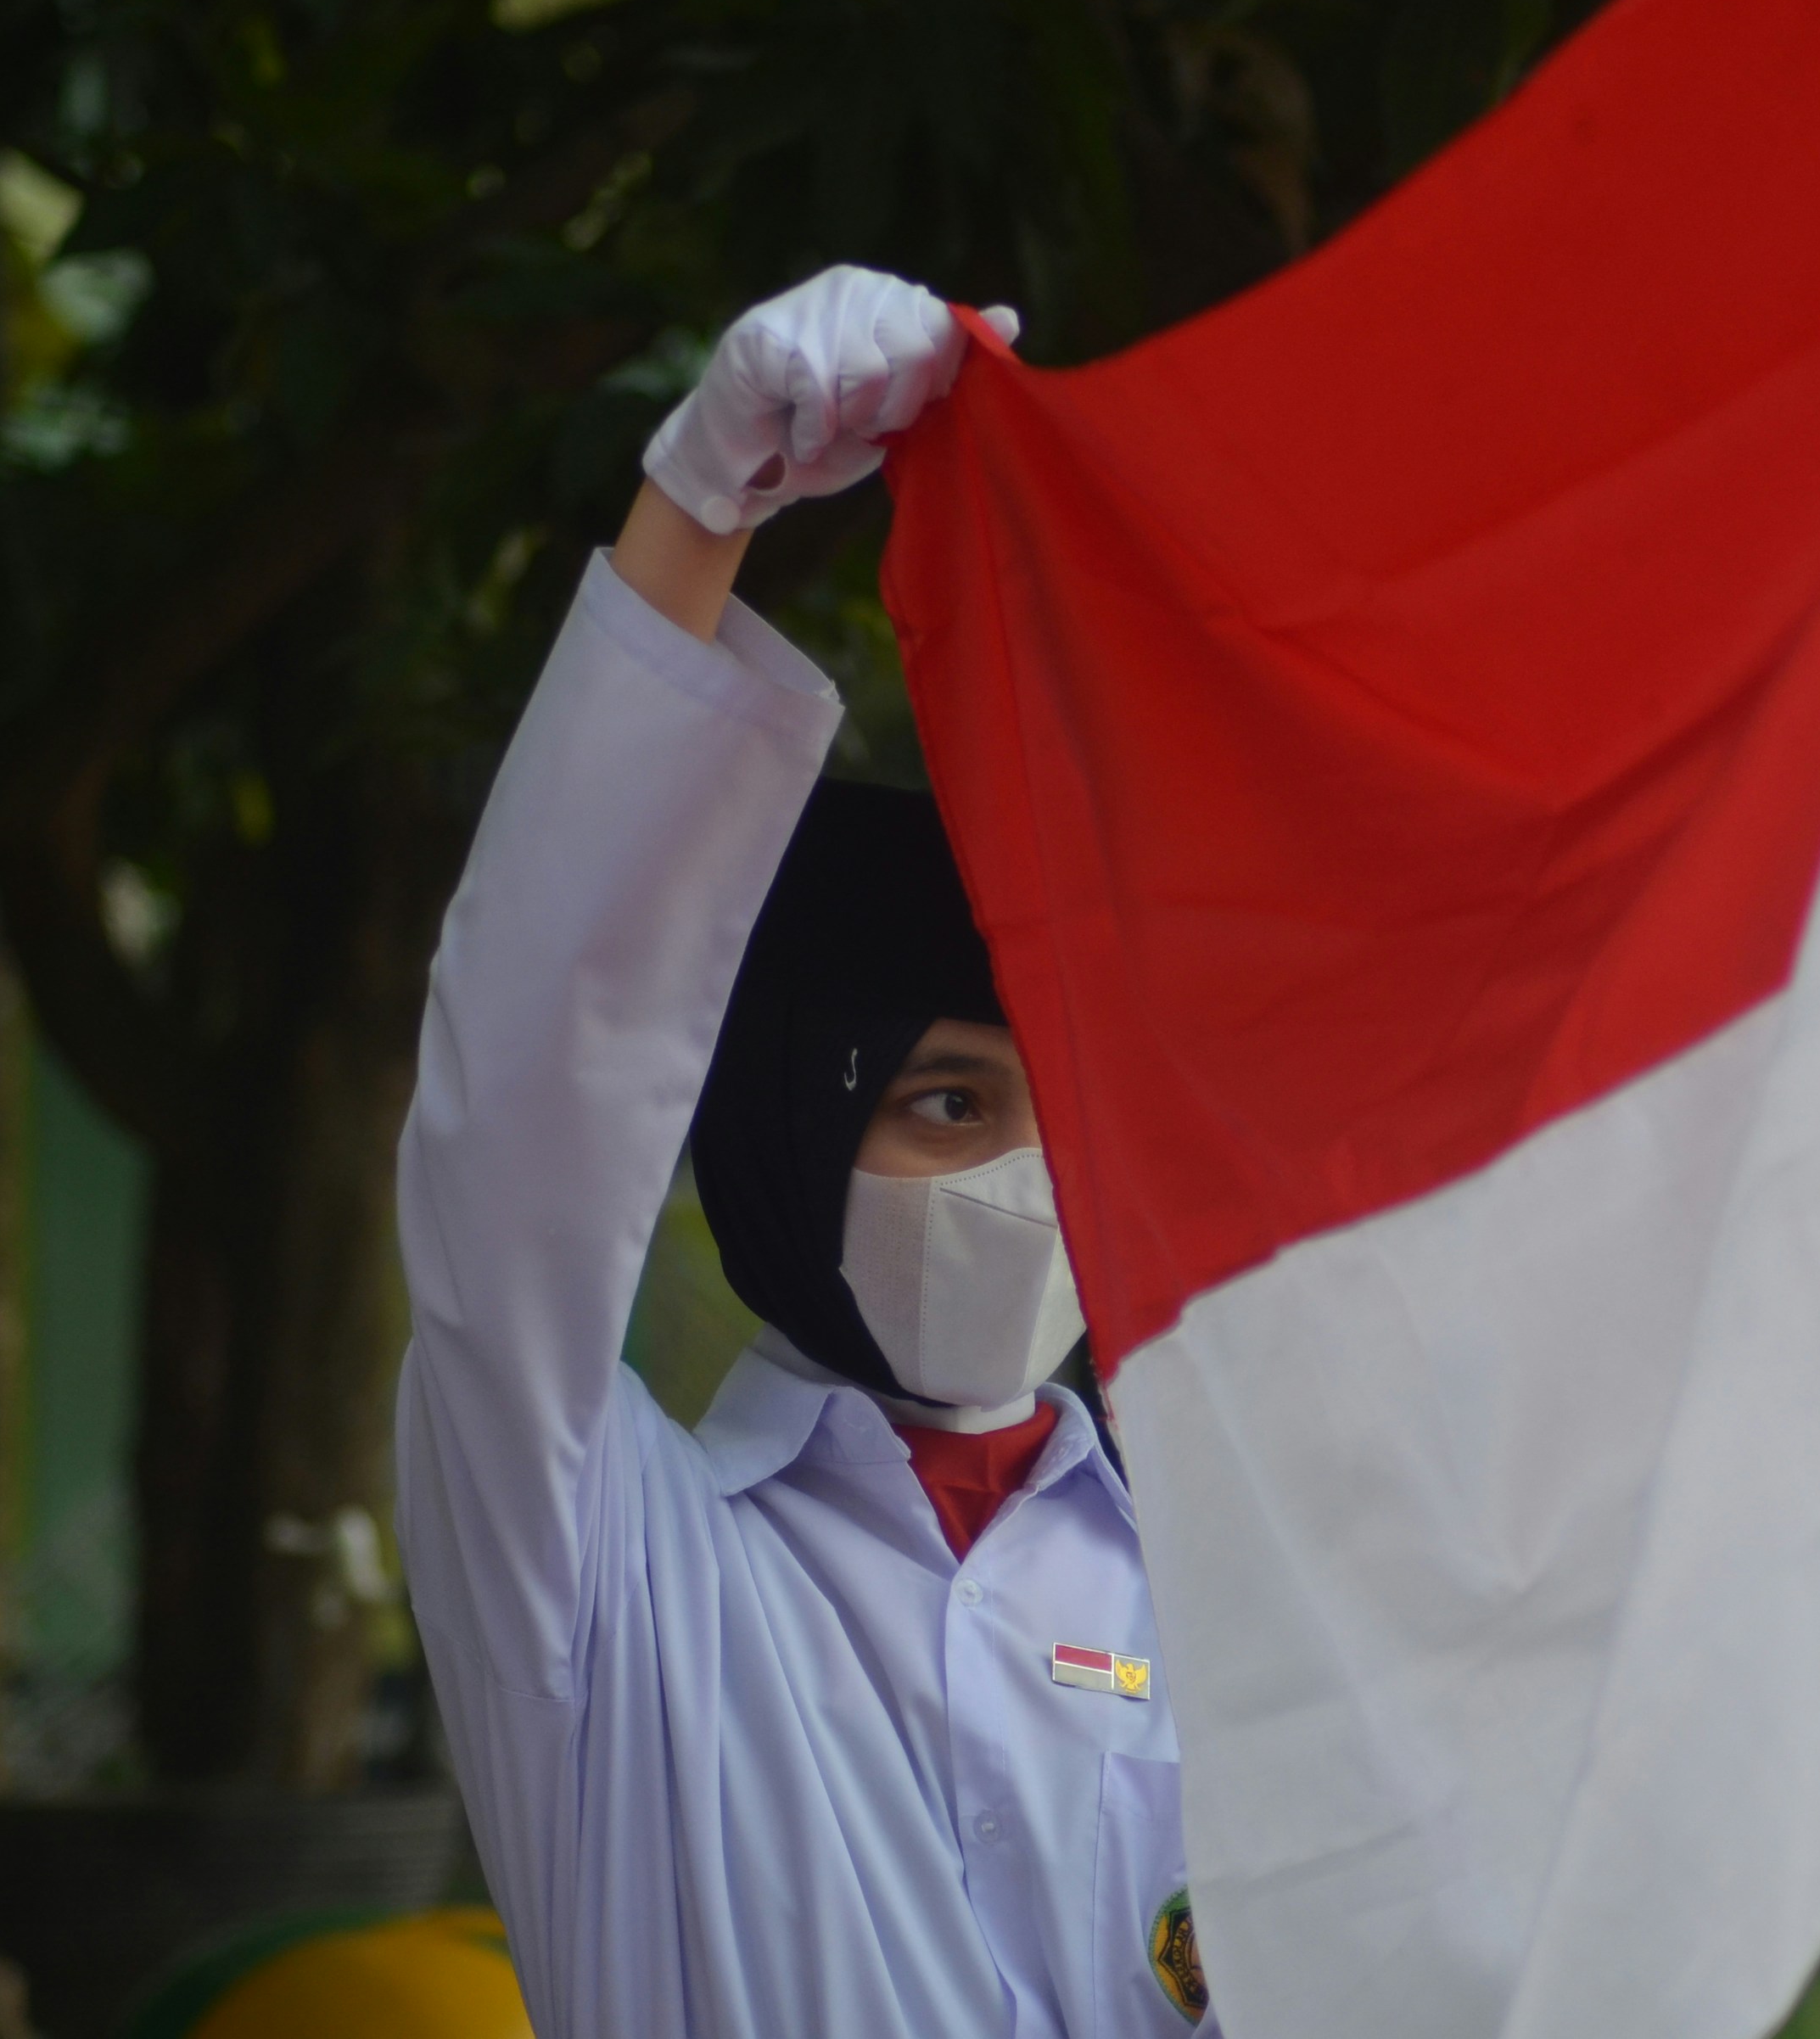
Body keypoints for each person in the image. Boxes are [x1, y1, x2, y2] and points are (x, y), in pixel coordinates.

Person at [394, 266, 1215, 2038]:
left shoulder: (1223, 1587)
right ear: (789, 1132)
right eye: (949, 1105)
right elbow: (519, 1119)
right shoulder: (610, 1569)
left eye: (1068, 1114)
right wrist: (701, 511)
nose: (1029, 1184)